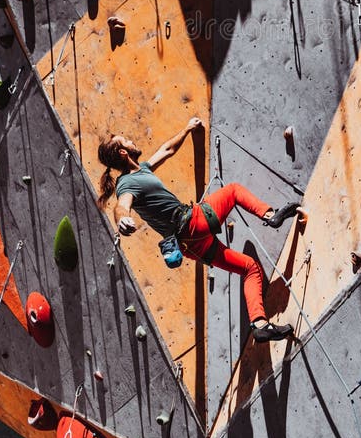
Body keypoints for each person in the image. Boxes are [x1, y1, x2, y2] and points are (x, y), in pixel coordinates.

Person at [96, 118, 301, 342]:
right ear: (123, 152)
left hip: (190, 247)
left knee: (250, 268)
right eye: (126, 140)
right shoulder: (126, 184)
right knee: (233, 191)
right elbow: (121, 205)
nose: (131, 140)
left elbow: (167, 150)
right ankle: (270, 216)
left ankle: (259, 325)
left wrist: (187, 129)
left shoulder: (142, 169)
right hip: (193, 222)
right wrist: (122, 219)